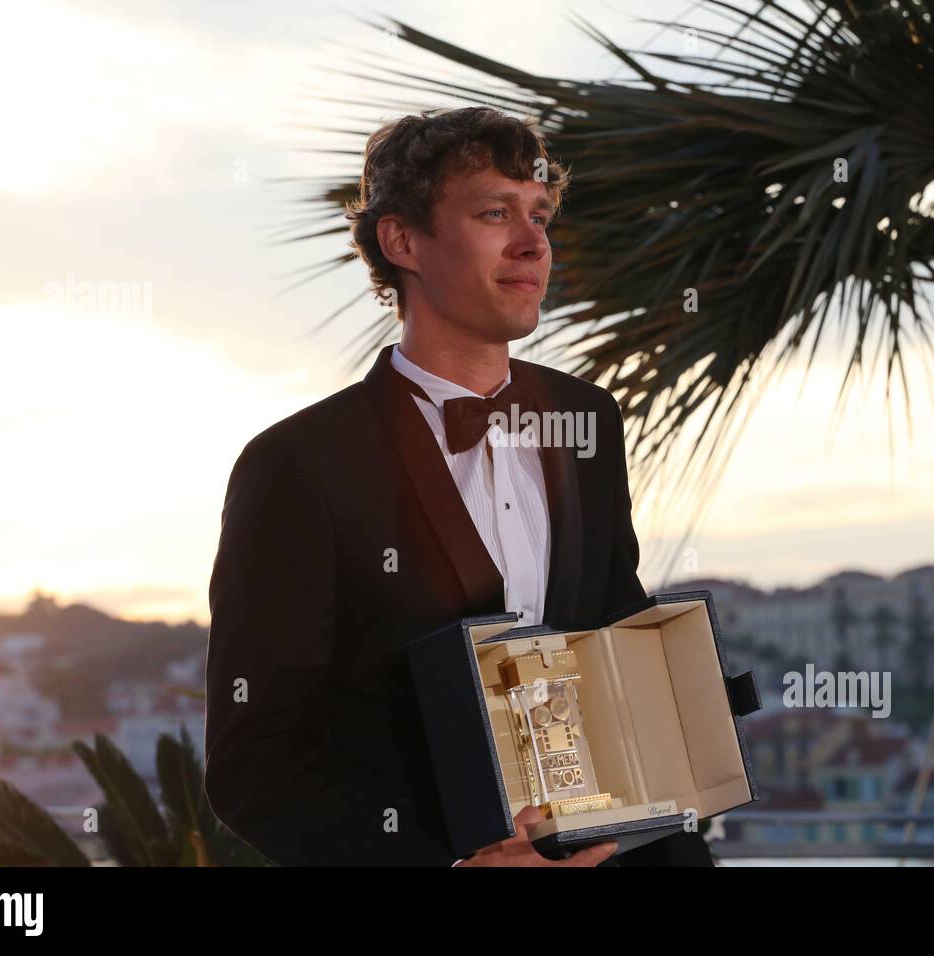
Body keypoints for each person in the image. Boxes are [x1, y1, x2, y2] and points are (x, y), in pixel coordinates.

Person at [203, 106, 714, 867]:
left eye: (540, 214)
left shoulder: (587, 419)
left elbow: (609, 633)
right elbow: (256, 761)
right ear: (402, 241)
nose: (533, 242)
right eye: (493, 212)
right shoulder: (298, 464)